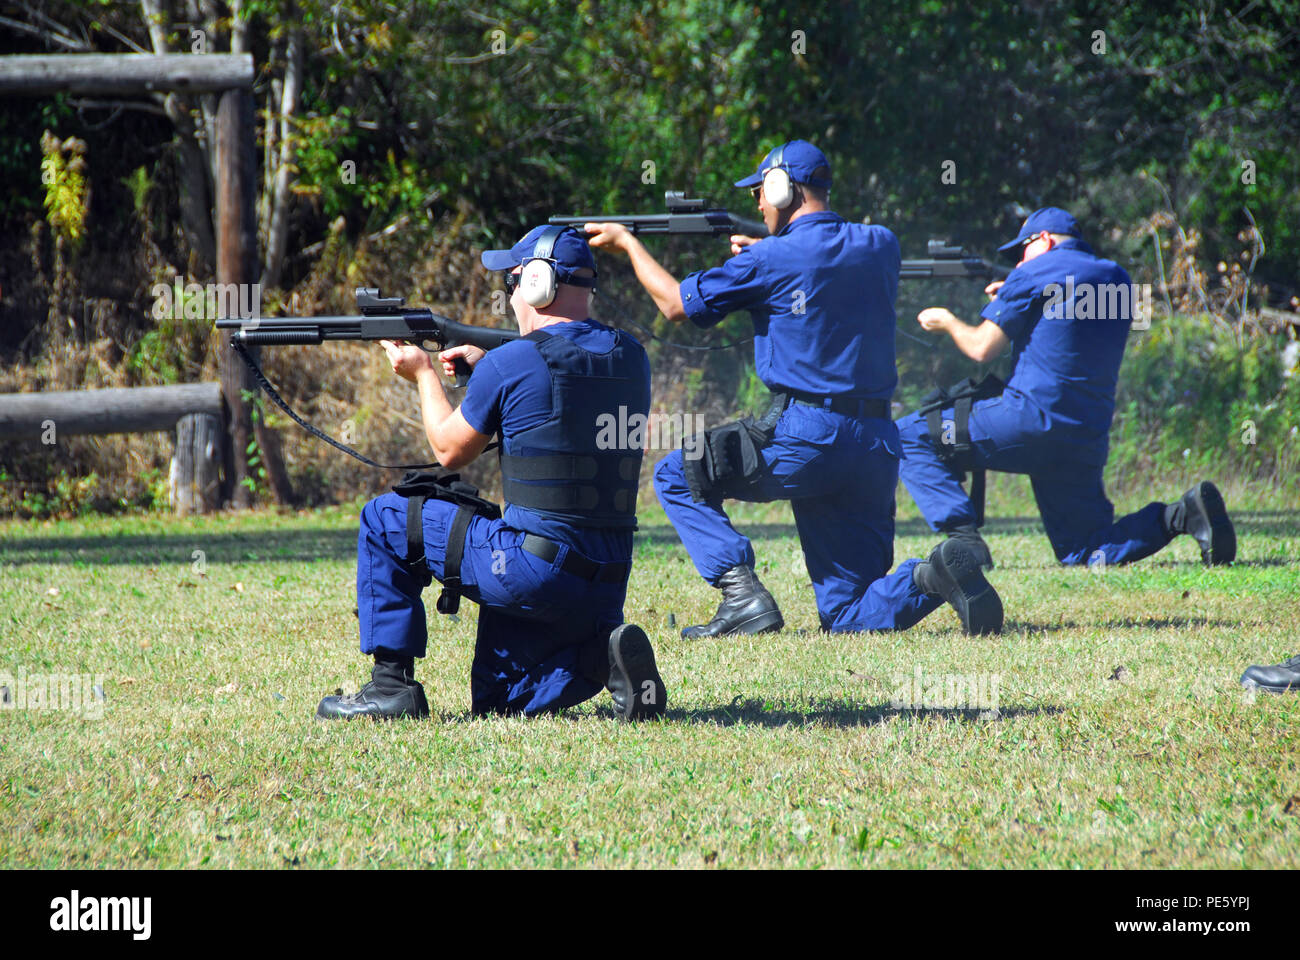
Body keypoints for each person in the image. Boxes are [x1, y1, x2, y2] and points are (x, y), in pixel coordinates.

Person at [585, 140, 1003, 639]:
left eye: (761, 191)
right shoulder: (881, 244)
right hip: (875, 442)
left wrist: (629, 243)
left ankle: (742, 597)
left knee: (676, 474)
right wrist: (769, 255)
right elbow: (821, 269)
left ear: (784, 189)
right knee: (847, 614)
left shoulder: (769, 261)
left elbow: (676, 305)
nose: (758, 204)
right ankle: (933, 574)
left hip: (808, 436)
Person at [317, 225, 667, 721]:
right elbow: (562, 403)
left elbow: (447, 450)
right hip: (607, 580)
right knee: (501, 704)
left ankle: (389, 687)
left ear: (538, 284)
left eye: (513, 282)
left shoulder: (512, 363)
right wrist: (492, 368)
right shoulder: (632, 357)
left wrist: (422, 374)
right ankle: (602, 658)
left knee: (386, 519)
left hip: (536, 571)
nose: (510, 295)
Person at [897, 206, 1236, 570]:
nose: (1019, 260)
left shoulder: (1030, 274)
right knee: (1084, 551)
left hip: (1028, 420)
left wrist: (947, 321)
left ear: (1043, 240)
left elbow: (982, 348)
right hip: (1085, 434)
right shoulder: (1118, 279)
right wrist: (1015, 298)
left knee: (907, 434)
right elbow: (1066, 331)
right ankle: (1181, 515)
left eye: (1022, 250)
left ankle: (965, 542)